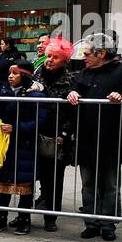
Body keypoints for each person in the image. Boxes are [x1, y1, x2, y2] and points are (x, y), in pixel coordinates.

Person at [65, 33, 122, 241]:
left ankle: (108, 223)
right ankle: (91, 222)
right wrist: (72, 94)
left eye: (87, 54)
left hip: (112, 137)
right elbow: (73, 89)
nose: (83, 58)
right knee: (88, 183)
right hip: (87, 136)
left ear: (101, 54)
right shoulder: (84, 72)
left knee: (111, 184)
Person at [0, 60, 45, 234]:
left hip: (25, 144)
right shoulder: (4, 91)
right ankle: (1, 216)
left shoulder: (36, 95)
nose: (10, 76)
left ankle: (24, 218)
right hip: (6, 144)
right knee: (3, 180)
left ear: (25, 75)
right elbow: (2, 114)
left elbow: (40, 121)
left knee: (25, 184)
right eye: (9, 73)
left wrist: (16, 128)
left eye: (15, 73)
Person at [31, 36, 76, 231]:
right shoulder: (36, 74)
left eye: (55, 57)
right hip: (34, 130)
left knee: (54, 177)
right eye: (48, 56)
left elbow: (72, 113)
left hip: (56, 134)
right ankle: (25, 214)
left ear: (64, 61)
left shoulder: (70, 81)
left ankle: (51, 217)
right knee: (33, 174)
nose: (49, 60)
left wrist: (63, 134)